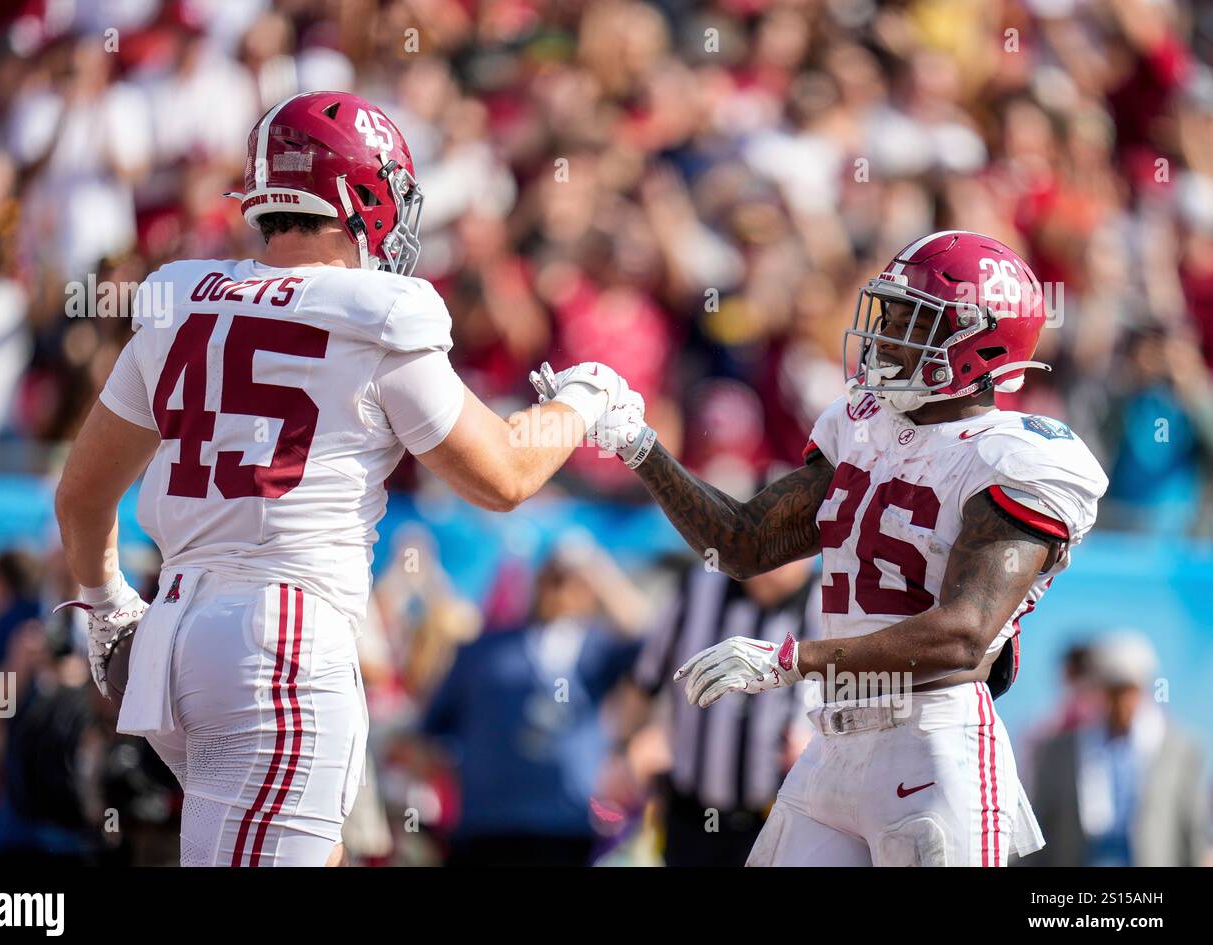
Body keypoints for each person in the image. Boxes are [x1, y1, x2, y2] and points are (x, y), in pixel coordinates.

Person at [53, 91, 640, 867]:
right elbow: (503, 475)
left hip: (177, 636)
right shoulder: (374, 314)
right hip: (280, 644)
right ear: (358, 195)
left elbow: (83, 493)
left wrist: (105, 607)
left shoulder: (183, 303)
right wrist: (585, 396)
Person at [540, 230, 1110, 866]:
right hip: (836, 741)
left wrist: (791, 659)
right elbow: (745, 545)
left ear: (979, 340)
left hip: (933, 740)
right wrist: (637, 444)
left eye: (909, 319)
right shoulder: (859, 423)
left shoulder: (1019, 456)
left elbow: (963, 634)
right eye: (888, 313)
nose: (884, 334)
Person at [420, 547, 640, 867]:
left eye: (573, 581)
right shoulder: (485, 650)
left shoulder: (599, 649)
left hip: (565, 824)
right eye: (554, 579)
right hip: (486, 824)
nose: (562, 591)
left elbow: (654, 644)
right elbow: (432, 729)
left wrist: (604, 574)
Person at [627, 558, 819, 867]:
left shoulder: (825, 606)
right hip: (692, 819)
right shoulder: (698, 588)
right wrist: (626, 748)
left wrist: (818, 745)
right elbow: (643, 684)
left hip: (782, 822)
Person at [1027, 632, 1208, 867]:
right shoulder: (1062, 749)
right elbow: (1044, 825)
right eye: (1113, 690)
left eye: (1128, 690)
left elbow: (1191, 828)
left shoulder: (1179, 751)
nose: (1121, 701)